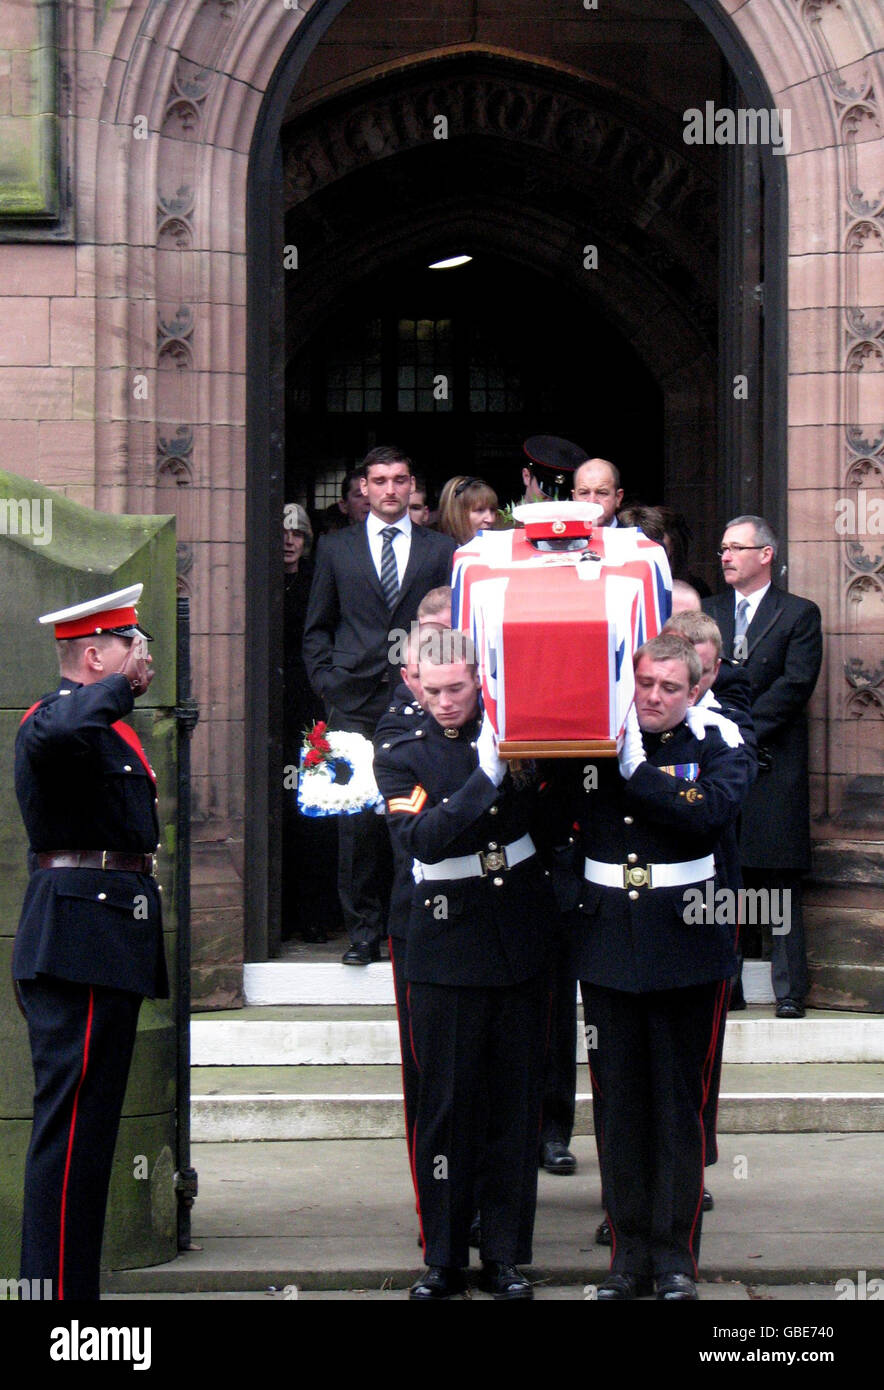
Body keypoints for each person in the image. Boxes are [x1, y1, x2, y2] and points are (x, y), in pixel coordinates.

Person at [559, 633, 752, 1299]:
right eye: (644, 683)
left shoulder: (718, 742)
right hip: (609, 938)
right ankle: (626, 1254)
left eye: (670, 687)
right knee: (618, 1106)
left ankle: (674, 1259)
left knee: (678, 1106)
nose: (653, 697)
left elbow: (711, 815)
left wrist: (637, 771)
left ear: (695, 689)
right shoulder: (595, 745)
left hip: (687, 942)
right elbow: (559, 826)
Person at [373, 632, 555, 1299]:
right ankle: (444, 1255)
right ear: (413, 679)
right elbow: (419, 838)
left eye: (458, 688)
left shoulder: (512, 731)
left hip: (517, 930)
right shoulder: (401, 750)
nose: (447, 701)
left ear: (479, 678)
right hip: (446, 938)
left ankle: (504, 1253)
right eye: (433, 688)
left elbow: (551, 816)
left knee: (514, 1103)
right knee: (447, 1105)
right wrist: (485, 778)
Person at [13, 584, 169, 1301]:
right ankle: (52, 1301)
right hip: (75, 938)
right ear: (93, 654)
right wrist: (114, 689)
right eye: (131, 646)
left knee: (91, 1136)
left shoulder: (104, 725)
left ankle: (73, 1296)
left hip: (109, 940)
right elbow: (58, 733)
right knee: (69, 1131)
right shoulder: (55, 717)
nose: (145, 659)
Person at [303, 446, 457, 965]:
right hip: (352, 700)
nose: (390, 490)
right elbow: (317, 625)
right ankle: (362, 932)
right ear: (363, 489)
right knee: (356, 820)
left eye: (399, 480)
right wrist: (328, 681)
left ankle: (405, 926)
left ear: (412, 487)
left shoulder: (440, 549)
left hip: (417, 693)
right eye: (379, 481)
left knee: (413, 806)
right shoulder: (334, 548)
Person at [703, 515, 823, 1018]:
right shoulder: (708, 613)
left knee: (777, 875)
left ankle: (789, 991)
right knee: (723, 872)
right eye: (723, 549)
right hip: (717, 762)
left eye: (736, 548)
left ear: (766, 554)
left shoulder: (798, 614)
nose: (726, 557)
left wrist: (744, 730)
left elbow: (795, 685)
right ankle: (724, 984)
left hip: (772, 764)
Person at [282, 503, 338, 942]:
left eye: (297, 533)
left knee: (314, 810)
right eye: (282, 533)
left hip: (310, 706)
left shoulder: (317, 578)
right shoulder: (257, 580)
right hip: (268, 709)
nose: (289, 540)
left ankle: (317, 915)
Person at [437, 476, 498, 544]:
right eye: (480, 510)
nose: (490, 519)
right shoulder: (437, 552)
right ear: (456, 514)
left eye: (492, 510)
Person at [571, 457, 624, 526]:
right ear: (574, 497)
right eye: (584, 493)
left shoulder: (633, 536)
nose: (592, 502)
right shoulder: (559, 536)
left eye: (602, 493)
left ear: (618, 498)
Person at [318, 467, 371, 534]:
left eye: (374, 494)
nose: (368, 501)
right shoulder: (332, 542)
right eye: (359, 495)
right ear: (343, 505)